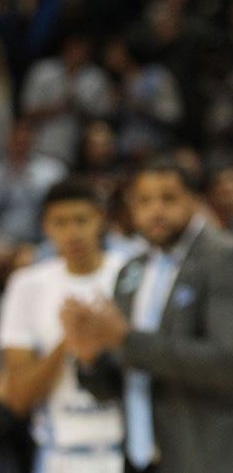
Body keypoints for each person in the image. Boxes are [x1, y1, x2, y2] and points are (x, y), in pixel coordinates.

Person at [59, 158, 233, 472]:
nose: (155, 210)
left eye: (168, 198)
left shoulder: (229, 258)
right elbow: (127, 381)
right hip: (152, 459)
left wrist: (125, 339)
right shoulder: (131, 272)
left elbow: (227, 364)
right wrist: (91, 358)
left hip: (230, 458)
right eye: (144, 201)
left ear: (193, 200)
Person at [0, 178, 125, 472]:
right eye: (61, 222)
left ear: (101, 219)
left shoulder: (129, 273)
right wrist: (68, 342)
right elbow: (17, 397)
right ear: (46, 227)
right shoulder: (27, 285)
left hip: (128, 452)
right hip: (60, 455)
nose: (73, 233)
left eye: (81, 220)